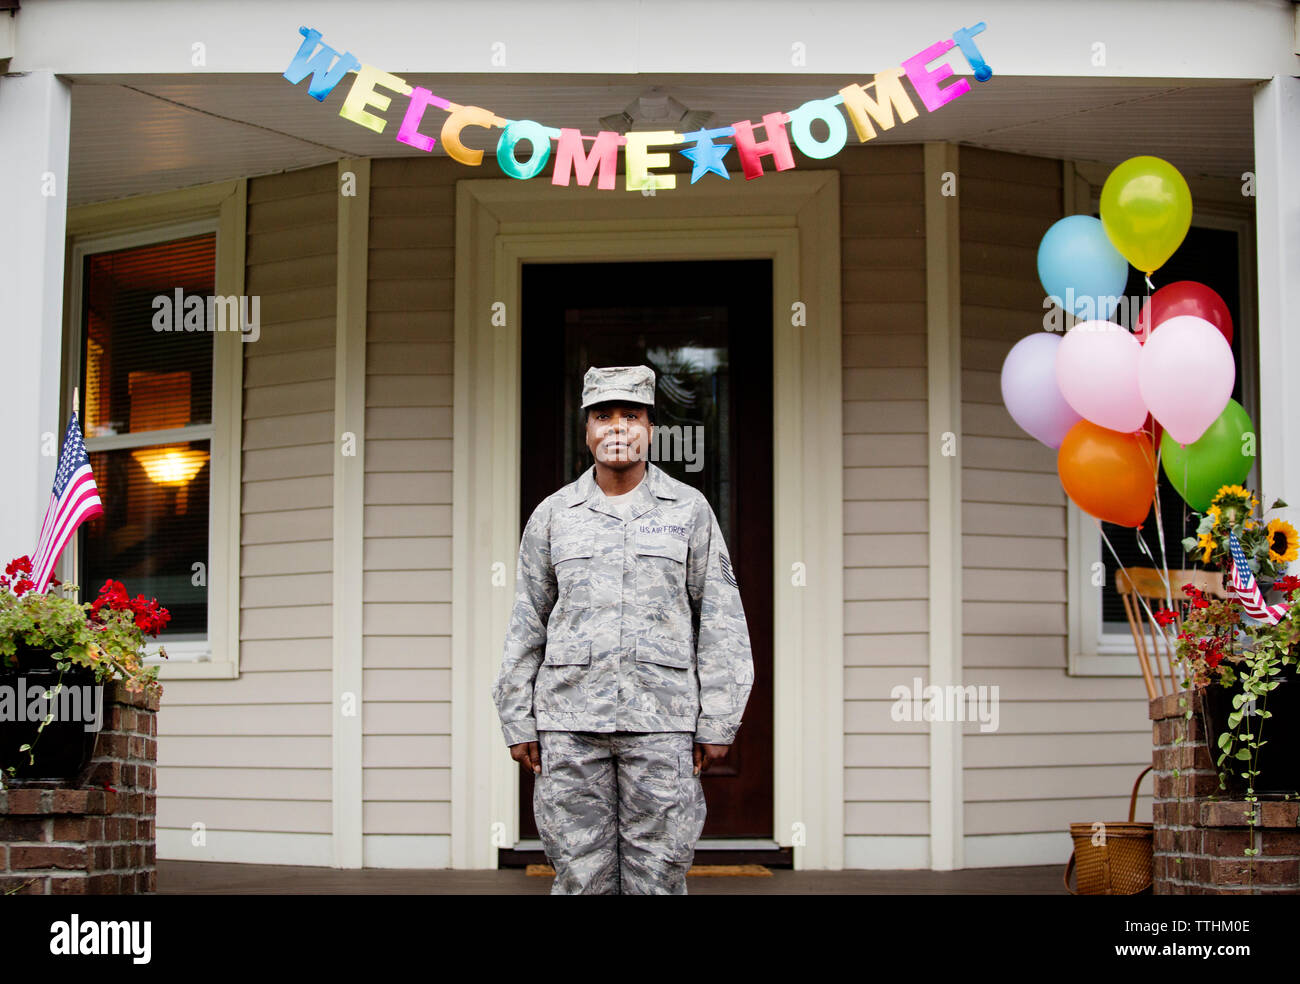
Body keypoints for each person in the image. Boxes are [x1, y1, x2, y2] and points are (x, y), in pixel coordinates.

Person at [491, 363, 755, 894]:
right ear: (586, 429)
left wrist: (719, 721)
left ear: (651, 428)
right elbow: (528, 620)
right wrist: (517, 717)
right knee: (579, 877)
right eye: (603, 415)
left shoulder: (689, 510)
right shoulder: (554, 515)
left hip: (663, 725)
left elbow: (722, 618)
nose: (617, 427)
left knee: (656, 878)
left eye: (630, 415)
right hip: (569, 726)